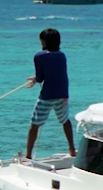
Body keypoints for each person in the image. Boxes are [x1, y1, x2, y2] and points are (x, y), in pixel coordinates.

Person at [24, 27, 75, 160]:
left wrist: (35, 80)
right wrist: (36, 79)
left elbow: (41, 77)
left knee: (34, 124)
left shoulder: (39, 56)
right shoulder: (62, 55)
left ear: (44, 41)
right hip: (63, 94)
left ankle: (28, 155)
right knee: (65, 121)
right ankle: (72, 149)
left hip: (47, 96)